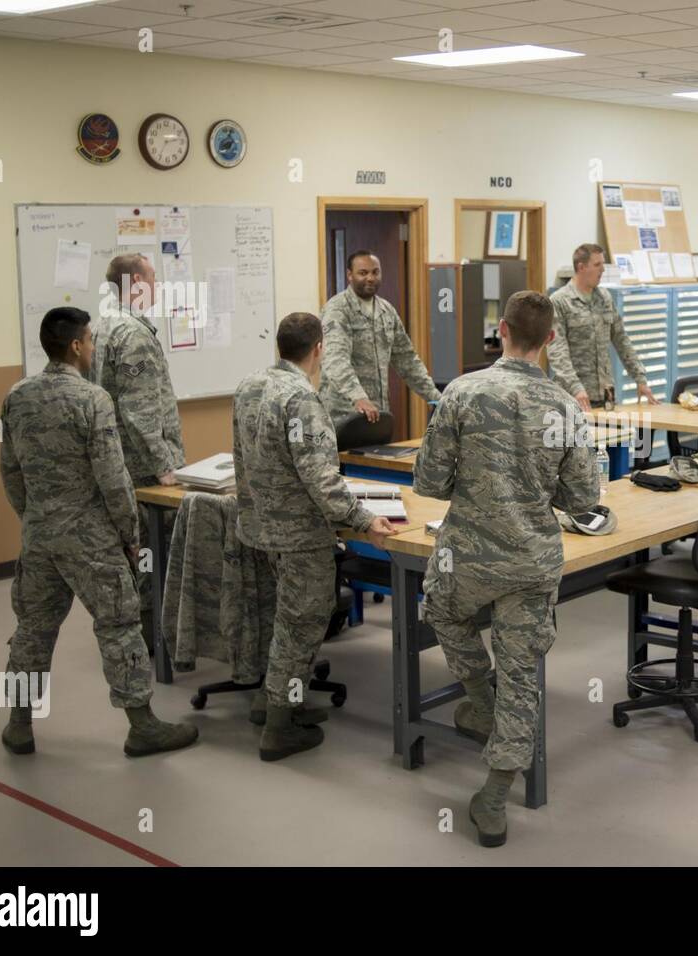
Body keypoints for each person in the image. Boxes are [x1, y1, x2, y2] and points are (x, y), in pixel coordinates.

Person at [414, 290, 598, 847]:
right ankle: (493, 798)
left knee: (440, 610)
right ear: (550, 340)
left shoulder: (462, 392)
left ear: (501, 332)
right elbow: (584, 497)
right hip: (530, 562)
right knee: (523, 675)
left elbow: (428, 482)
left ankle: (478, 697)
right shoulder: (564, 405)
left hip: (466, 554)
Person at [0, 307, 197, 757]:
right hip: (90, 540)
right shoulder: (92, 400)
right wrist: (129, 534)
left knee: (32, 628)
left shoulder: (17, 397)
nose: (93, 348)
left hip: (39, 536)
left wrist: (32, 518)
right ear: (75, 346)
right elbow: (113, 477)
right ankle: (142, 725)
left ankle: (18, 723)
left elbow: (10, 471)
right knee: (120, 626)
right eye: (89, 340)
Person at [232, 312, 396, 760]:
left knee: (285, 620)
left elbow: (241, 461)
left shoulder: (251, 386)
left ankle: (275, 702)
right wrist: (362, 519)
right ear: (319, 349)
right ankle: (279, 728)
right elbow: (320, 476)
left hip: (263, 527)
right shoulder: (302, 399)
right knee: (300, 624)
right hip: (300, 533)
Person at [91, 253, 186, 645]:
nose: (159, 287)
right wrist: (164, 466)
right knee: (150, 550)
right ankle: (151, 638)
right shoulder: (132, 334)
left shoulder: (102, 326)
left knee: (131, 549)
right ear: (135, 285)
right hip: (141, 468)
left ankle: (137, 632)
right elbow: (140, 410)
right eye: (153, 279)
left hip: (118, 462)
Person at [319, 250, 441, 426]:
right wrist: (358, 397)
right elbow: (335, 360)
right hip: (342, 416)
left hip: (378, 413)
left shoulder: (386, 311)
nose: (370, 278)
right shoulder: (337, 310)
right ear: (349, 275)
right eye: (363, 273)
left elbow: (407, 360)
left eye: (375, 272)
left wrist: (435, 397)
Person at [548, 243, 659, 411]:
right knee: (579, 438)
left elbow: (622, 340)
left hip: (605, 394)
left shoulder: (605, 298)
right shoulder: (559, 301)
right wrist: (575, 388)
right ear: (581, 267)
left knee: (611, 437)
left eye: (603, 264)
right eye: (597, 265)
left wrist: (640, 379)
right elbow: (557, 351)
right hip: (574, 397)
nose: (603, 270)